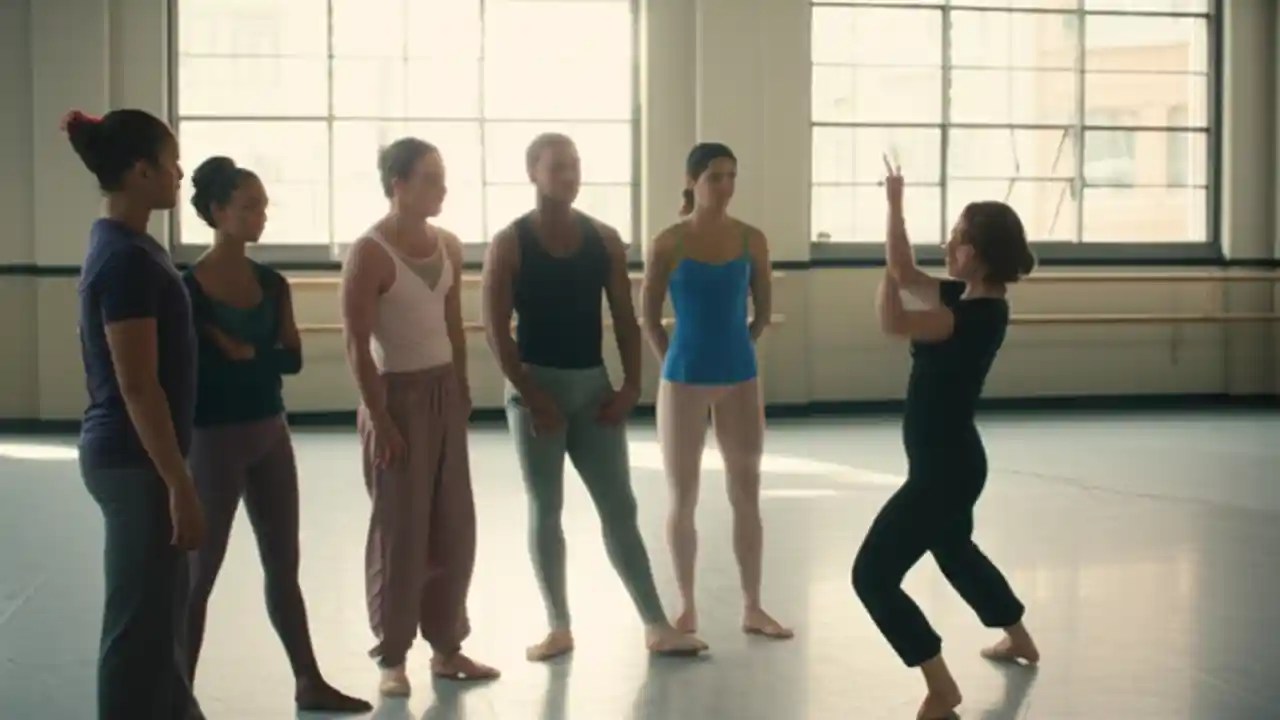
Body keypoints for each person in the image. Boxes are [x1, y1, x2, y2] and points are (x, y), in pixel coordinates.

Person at [482, 132, 708, 662]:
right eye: (558, 166)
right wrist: (532, 395)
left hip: (592, 387)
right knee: (547, 506)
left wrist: (631, 386)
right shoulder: (510, 242)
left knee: (620, 506)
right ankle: (559, 626)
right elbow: (496, 330)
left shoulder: (604, 239)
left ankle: (656, 623)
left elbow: (626, 320)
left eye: (575, 165)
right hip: (535, 386)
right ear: (533, 172)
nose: (570, 174)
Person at [180, 156, 371, 714]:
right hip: (213, 439)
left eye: (263, 205)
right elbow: (196, 366)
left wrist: (245, 352)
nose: (261, 216)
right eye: (249, 206)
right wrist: (242, 354)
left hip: (269, 433)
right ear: (217, 213)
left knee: (283, 566)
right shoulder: (187, 287)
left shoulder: (271, 282)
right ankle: (178, 694)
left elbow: (292, 358)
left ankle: (308, 680)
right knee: (199, 575)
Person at [852, 158, 1040, 720]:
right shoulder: (966, 297)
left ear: (976, 253)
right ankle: (1020, 640)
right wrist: (893, 206)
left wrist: (886, 271)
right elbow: (909, 273)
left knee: (873, 576)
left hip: (944, 471)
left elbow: (893, 318)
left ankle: (940, 686)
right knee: (955, 552)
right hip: (953, 462)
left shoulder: (978, 315)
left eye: (957, 238)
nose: (949, 244)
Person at [341, 137, 498, 696]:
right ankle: (392, 655)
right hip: (396, 398)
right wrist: (382, 420)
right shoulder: (370, 252)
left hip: (442, 394)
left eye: (443, 176)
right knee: (401, 529)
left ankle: (447, 646)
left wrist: (460, 385)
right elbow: (357, 344)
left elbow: (452, 323)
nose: (442, 188)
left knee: (454, 524)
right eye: (430, 177)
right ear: (398, 185)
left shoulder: (449, 245)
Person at [65, 108, 205, 720]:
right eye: (171, 162)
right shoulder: (124, 259)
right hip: (133, 458)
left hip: (140, 455)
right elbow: (138, 384)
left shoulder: (132, 244)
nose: (180, 173)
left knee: (159, 625)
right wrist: (179, 483)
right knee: (136, 629)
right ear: (142, 171)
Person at [641, 142, 791, 640]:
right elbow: (649, 318)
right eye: (714, 178)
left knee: (746, 489)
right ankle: (686, 606)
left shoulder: (753, 240)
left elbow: (762, 311)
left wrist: (736, 353)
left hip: (739, 379)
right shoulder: (668, 242)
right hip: (683, 379)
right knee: (682, 496)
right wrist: (676, 361)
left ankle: (753, 605)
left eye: (731, 176)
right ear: (691, 183)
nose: (725, 187)